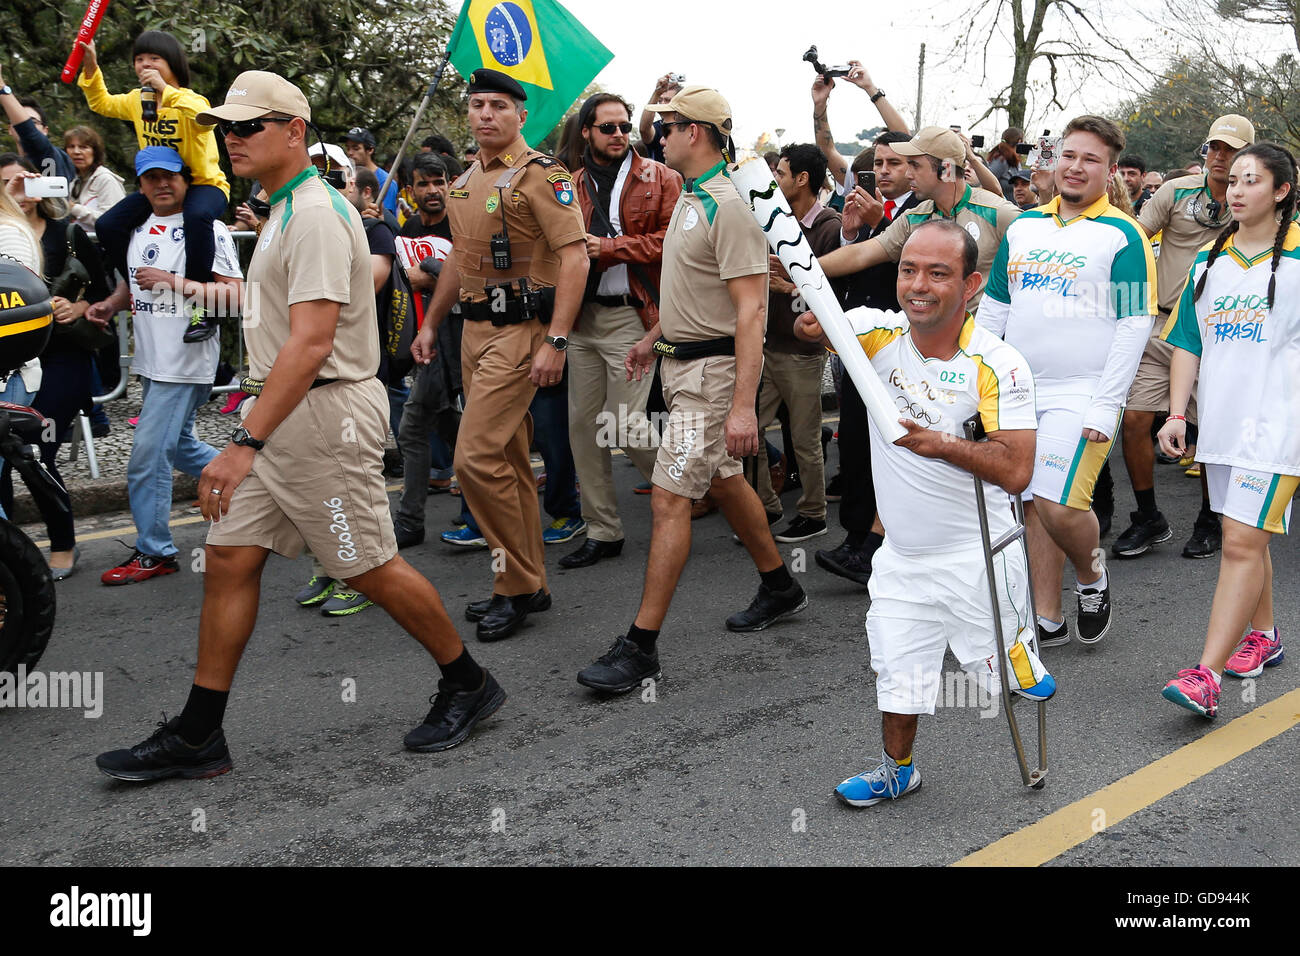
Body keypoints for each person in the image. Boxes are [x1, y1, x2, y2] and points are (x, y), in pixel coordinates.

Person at [94, 72, 506, 784]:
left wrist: (244, 443)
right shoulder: (280, 210)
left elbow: (311, 342)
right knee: (227, 558)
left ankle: (468, 682)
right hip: (285, 413)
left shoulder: (313, 213)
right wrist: (189, 291)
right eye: (226, 126)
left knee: (366, 566)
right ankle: (199, 734)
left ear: (294, 131)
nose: (231, 137)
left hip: (322, 418)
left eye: (248, 126)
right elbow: (271, 308)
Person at [793, 220, 1053, 806]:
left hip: (975, 556)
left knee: (1004, 682)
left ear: (971, 286)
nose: (918, 285)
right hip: (904, 557)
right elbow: (813, 327)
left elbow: (1016, 471)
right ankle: (897, 769)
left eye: (938, 273)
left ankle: (1013, 655)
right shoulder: (876, 334)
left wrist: (943, 445)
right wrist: (810, 322)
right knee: (897, 672)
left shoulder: (998, 364)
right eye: (909, 270)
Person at [575, 85, 808, 694]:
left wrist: (740, 407)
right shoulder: (693, 196)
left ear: (697, 132)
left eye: (668, 125)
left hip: (712, 378)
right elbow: (692, 293)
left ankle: (641, 646)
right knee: (727, 482)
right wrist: (652, 337)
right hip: (684, 367)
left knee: (669, 498)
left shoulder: (729, 205)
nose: (658, 134)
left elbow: (751, 311)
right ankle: (781, 586)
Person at [410, 69, 588, 642]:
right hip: (472, 332)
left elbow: (576, 258)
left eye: (497, 106)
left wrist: (556, 340)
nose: (485, 114)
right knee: (507, 461)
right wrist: (432, 324)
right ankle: (531, 581)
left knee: (473, 459)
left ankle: (512, 585)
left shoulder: (541, 176)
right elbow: (460, 261)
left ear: (520, 116)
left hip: (521, 332)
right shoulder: (463, 183)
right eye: (477, 105)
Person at [978, 115, 1156, 648]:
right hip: (1018, 391)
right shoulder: (1025, 227)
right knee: (1031, 501)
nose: (1077, 167)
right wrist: (974, 384)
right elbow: (993, 311)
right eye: (1070, 155)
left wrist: (1107, 404)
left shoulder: (1123, 235)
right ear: (1055, 161)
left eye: (1091, 160)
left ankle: (1092, 575)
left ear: (1109, 172)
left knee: (1058, 504)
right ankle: (1047, 617)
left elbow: (1133, 323)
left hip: (1083, 391)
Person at [1157, 143, 1298, 719]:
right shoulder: (1208, 263)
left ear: (1282, 191)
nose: (1236, 190)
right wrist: (1175, 413)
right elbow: (1187, 342)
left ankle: (1206, 675)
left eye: (1252, 180)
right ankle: (1264, 635)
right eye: (1233, 180)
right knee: (1249, 536)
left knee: (1240, 543)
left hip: (1280, 428)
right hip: (1220, 425)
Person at [81, 147, 243, 586]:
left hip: (185, 360)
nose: (161, 184)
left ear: (185, 180)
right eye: (151, 178)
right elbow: (133, 283)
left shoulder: (207, 228)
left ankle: (156, 553)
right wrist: (110, 304)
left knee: (147, 459)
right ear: (141, 185)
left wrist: (174, 282)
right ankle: (262, 486)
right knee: (182, 446)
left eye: (169, 176)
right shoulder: (137, 226)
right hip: (153, 361)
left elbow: (236, 296)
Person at [1117, 115, 1255, 562]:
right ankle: (1147, 516)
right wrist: (1129, 306)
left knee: (1212, 429)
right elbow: (1135, 242)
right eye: (1214, 147)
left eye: (1231, 150)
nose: (1220, 156)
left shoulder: (1251, 200)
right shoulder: (1175, 194)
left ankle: (1209, 519)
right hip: (1158, 326)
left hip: (1214, 334)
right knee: (1136, 420)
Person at [564, 92, 681, 568]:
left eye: (623, 126)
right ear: (587, 132)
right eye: (607, 127)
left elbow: (672, 242)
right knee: (582, 427)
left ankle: (685, 492)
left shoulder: (661, 177)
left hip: (633, 314)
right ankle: (603, 530)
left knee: (630, 426)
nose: (618, 134)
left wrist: (611, 248)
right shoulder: (569, 183)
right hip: (581, 317)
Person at [816, 130, 921, 587]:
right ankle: (858, 538)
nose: (881, 172)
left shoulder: (922, 217)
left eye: (893, 164)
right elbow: (851, 268)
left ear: (915, 169)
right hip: (858, 346)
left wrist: (881, 227)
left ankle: (883, 546)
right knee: (855, 443)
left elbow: (903, 273)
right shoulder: (869, 217)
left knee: (893, 450)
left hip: (903, 352)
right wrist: (855, 232)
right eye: (877, 164)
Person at [77, 32, 230, 344]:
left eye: (154, 59)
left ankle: (205, 309)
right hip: (159, 186)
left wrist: (165, 90)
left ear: (172, 63)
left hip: (203, 184)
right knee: (109, 225)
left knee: (197, 217)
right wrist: (91, 66)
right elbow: (101, 102)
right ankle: (137, 286)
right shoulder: (137, 100)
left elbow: (208, 119)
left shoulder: (189, 100)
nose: (144, 65)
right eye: (139, 59)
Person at [0, 156, 112, 580]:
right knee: (3, 459)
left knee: (38, 452)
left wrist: (75, 306)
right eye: (9, 184)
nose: (21, 191)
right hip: (11, 362)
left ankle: (63, 544)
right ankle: (8, 554)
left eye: (26, 182)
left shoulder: (67, 235)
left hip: (61, 358)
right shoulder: (5, 234)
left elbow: (102, 293)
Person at [816, 126, 1022, 307]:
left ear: (946, 169)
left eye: (915, 165)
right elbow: (861, 254)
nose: (907, 174)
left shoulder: (997, 212)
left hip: (980, 347)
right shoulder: (914, 217)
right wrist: (803, 270)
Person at [753, 143, 841, 542]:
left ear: (802, 179)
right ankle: (766, 508)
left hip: (803, 354)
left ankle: (813, 513)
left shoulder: (830, 227)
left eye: (781, 173)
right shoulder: (774, 220)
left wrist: (786, 285)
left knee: (805, 441)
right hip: (767, 347)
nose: (774, 180)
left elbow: (832, 299)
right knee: (747, 434)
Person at [810, 60, 909, 196]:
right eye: (878, 163)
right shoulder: (859, 189)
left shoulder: (916, 205)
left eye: (894, 162)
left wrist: (870, 88)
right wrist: (820, 104)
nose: (884, 170)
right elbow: (827, 152)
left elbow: (903, 140)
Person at [0, 72, 76, 182]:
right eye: (16, 121)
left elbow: (29, 134)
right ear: (10, 129)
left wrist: (2, 88)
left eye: (33, 122)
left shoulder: (50, 156)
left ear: (45, 131)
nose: (23, 126)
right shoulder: (10, 164)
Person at [62, 125, 125, 229]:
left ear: (95, 152)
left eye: (83, 147)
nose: (76, 152)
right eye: (71, 147)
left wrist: (74, 208)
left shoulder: (106, 179)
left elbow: (114, 220)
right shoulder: (72, 180)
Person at [342, 127, 398, 217]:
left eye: (356, 148)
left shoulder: (386, 182)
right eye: (348, 148)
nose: (350, 153)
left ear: (370, 150)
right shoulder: (347, 177)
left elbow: (385, 217)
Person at [638, 73, 684, 164]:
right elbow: (644, 130)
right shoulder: (658, 127)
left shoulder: (689, 125)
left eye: (667, 100)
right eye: (659, 100)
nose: (662, 104)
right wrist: (657, 92)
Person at [986, 127, 1025, 201]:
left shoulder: (1013, 160)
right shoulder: (1001, 160)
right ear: (1019, 141)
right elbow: (987, 181)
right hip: (1000, 207)